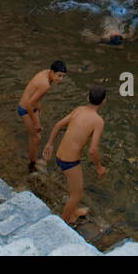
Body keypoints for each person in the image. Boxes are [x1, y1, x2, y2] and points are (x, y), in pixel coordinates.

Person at [43, 85, 108, 225]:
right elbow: (93, 150)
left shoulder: (79, 110)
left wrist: (50, 143)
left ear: (87, 97)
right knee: (78, 195)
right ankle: (65, 221)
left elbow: (57, 125)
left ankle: (74, 212)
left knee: (74, 189)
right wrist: (99, 167)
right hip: (70, 162)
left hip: (60, 155)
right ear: (104, 101)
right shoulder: (98, 121)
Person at [17, 60, 66, 172]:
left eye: (63, 76)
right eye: (59, 76)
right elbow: (29, 104)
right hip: (25, 109)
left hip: (31, 106)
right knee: (36, 137)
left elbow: (34, 93)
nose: (61, 79)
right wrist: (36, 123)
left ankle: (31, 158)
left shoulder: (45, 73)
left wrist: (38, 106)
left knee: (35, 137)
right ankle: (31, 165)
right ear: (52, 72)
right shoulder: (45, 85)